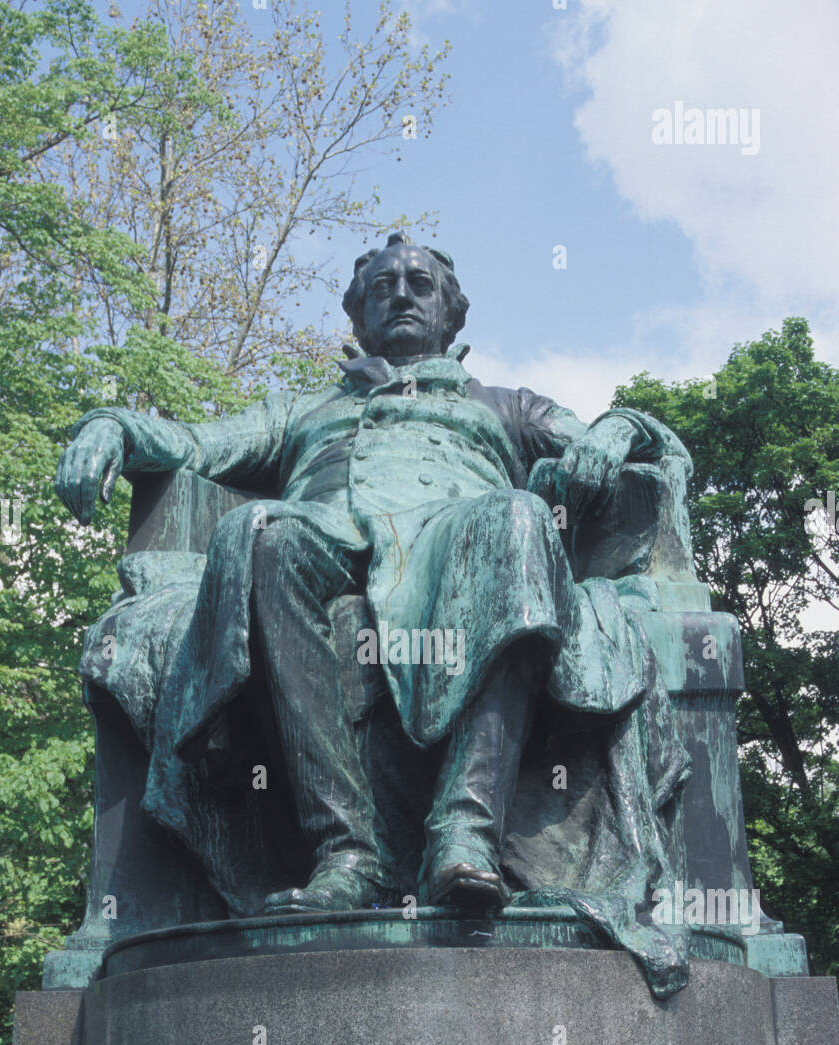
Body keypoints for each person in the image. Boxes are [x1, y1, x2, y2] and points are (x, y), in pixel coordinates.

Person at [56, 233, 691, 928]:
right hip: (334, 538)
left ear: (454, 315)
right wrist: (111, 425)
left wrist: (618, 430)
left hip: (457, 543)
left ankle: (466, 831)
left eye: (421, 285)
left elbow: (651, 442)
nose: (401, 294)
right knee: (259, 532)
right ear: (356, 316)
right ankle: (345, 853)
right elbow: (197, 444)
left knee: (517, 515)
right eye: (383, 286)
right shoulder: (304, 408)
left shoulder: (507, 406)